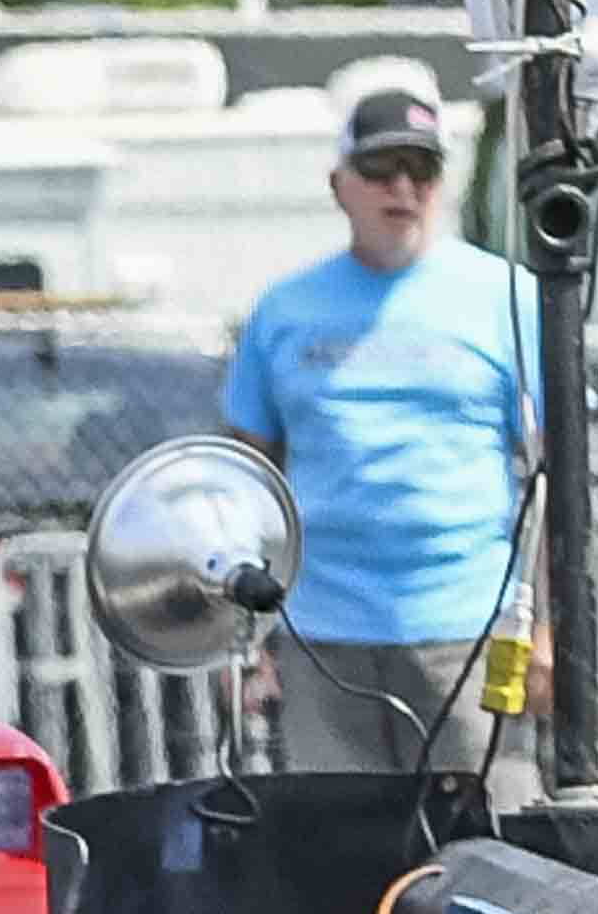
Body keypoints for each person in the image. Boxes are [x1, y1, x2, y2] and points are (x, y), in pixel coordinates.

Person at [220, 82, 543, 794]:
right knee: (338, 852)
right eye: (380, 170)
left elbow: (563, 479)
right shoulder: (284, 309)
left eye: (421, 169)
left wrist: (552, 632)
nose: (403, 188)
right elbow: (245, 477)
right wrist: (246, 644)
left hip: (472, 625)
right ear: (340, 186)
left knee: (494, 840)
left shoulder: (508, 296)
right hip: (322, 632)